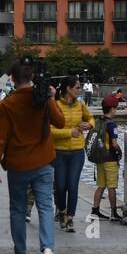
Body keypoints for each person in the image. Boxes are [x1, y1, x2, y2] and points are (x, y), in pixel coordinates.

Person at [0, 63, 64, 254]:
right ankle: (48, 249)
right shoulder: (42, 99)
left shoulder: (7, 105)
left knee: (17, 208)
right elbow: (60, 122)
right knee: (45, 206)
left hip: (18, 164)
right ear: (32, 77)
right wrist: (51, 97)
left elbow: (0, 139)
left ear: (12, 79)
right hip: (43, 161)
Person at [50, 75, 94, 232]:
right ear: (68, 89)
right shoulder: (55, 105)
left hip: (77, 152)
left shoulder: (81, 105)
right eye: (77, 87)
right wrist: (70, 132)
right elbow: (49, 130)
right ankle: (61, 211)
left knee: (73, 185)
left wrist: (88, 125)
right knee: (60, 186)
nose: (80, 90)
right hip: (59, 152)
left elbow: (91, 118)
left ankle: (70, 218)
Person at [89, 95, 124, 222]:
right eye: (116, 108)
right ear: (112, 109)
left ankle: (95, 210)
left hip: (100, 158)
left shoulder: (99, 121)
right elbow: (114, 143)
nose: (116, 110)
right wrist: (120, 152)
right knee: (112, 187)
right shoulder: (112, 124)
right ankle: (114, 213)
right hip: (110, 160)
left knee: (101, 185)